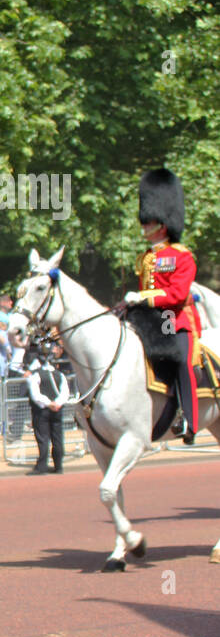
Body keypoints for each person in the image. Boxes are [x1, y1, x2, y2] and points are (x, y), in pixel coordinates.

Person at [125, 167, 201, 444]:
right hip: (148, 319)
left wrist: (146, 298)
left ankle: (189, 420)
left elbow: (178, 295)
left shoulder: (181, 256)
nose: (144, 226)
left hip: (173, 317)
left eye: (149, 221)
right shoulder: (146, 257)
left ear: (163, 223)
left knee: (180, 360)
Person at [26, 340, 69, 474]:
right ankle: (58, 466)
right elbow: (65, 393)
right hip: (57, 409)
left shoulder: (36, 375)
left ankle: (42, 466)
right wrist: (57, 403)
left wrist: (48, 404)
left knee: (43, 437)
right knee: (57, 437)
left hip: (42, 410)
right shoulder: (60, 375)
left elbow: (35, 395)